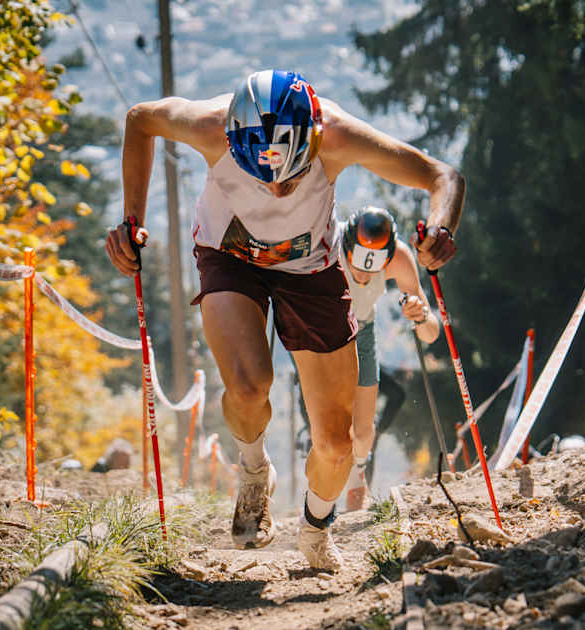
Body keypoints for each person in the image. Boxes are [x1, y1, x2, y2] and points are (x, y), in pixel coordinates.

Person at [105, 69, 464, 570]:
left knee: (336, 443)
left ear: (315, 142)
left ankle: (315, 528)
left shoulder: (339, 134)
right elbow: (140, 120)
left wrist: (441, 229)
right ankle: (254, 471)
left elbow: (443, 177)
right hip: (229, 256)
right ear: (232, 142)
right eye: (262, 176)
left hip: (310, 268)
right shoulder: (209, 124)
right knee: (249, 385)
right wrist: (131, 220)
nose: (277, 190)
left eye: (291, 177)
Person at [336, 207, 440, 511]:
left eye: (374, 267)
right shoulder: (329, 244)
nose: (364, 275)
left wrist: (420, 316)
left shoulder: (401, 258)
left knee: (363, 431)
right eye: (357, 264)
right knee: (330, 425)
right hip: (322, 329)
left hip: (363, 329)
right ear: (347, 246)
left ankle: (358, 473)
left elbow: (431, 334)